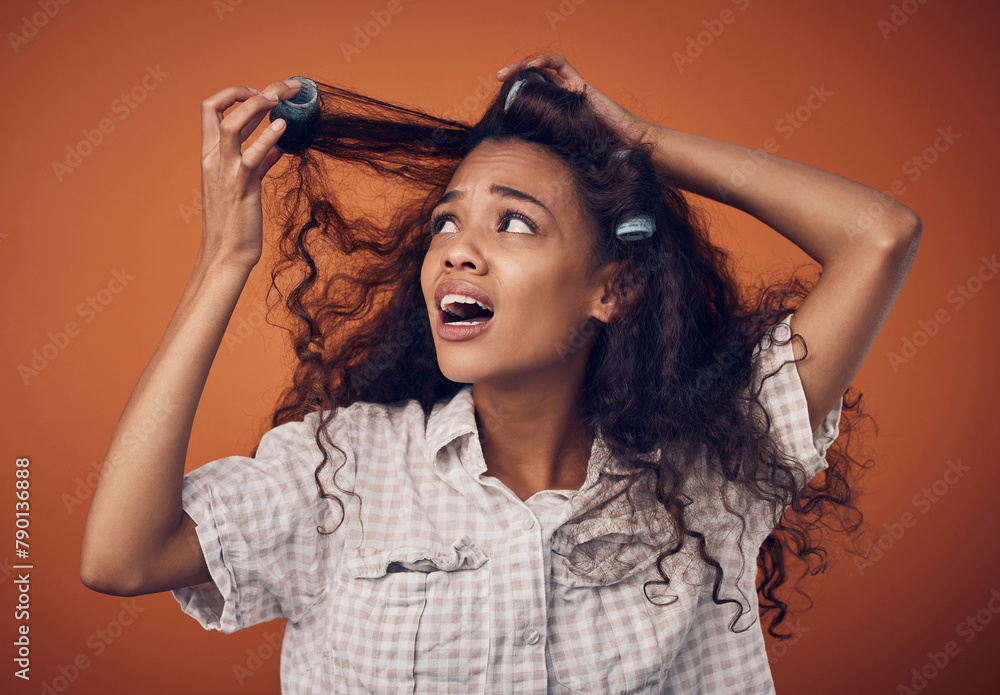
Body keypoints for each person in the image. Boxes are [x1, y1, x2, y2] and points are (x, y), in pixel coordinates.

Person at [80, 53, 921, 693]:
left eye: (513, 223)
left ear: (612, 286)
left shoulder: (711, 469)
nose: (459, 249)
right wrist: (223, 257)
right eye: (447, 223)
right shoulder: (347, 471)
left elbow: (878, 235)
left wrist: (640, 144)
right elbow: (122, 555)